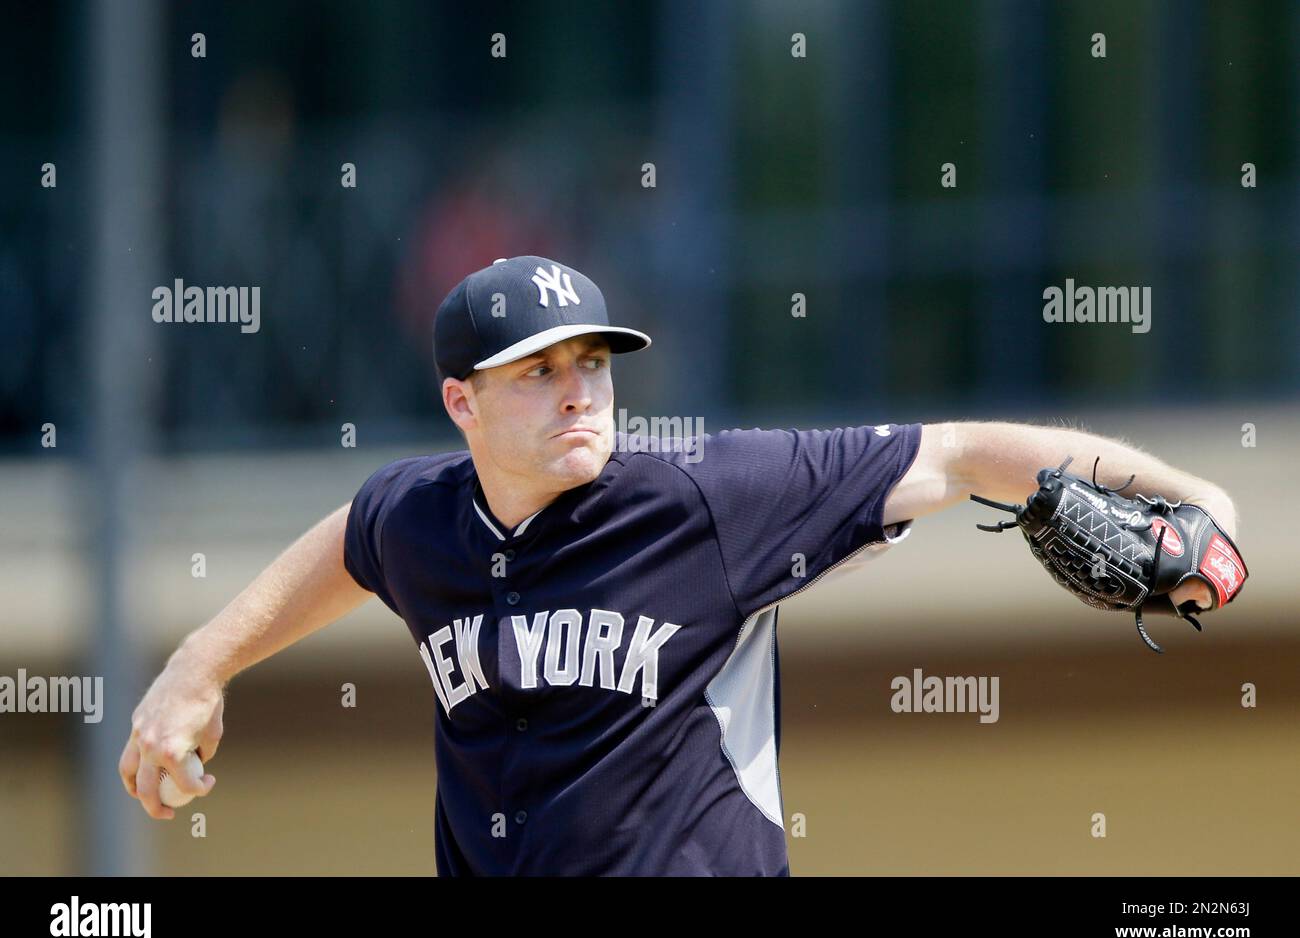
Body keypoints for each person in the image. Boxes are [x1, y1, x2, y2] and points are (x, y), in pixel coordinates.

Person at [120, 255, 1236, 875]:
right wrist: (198, 667)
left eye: (592, 362)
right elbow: (354, 539)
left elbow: (952, 453)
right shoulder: (424, 519)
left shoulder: (705, 498)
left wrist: (1193, 502)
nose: (578, 389)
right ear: (459, 401)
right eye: (536, 370)